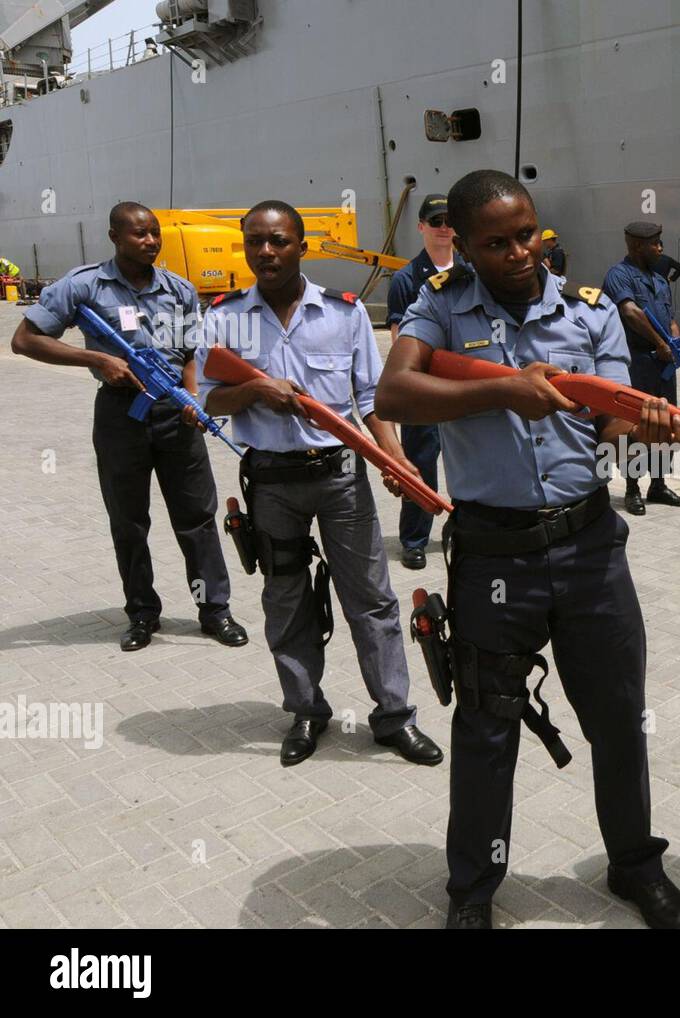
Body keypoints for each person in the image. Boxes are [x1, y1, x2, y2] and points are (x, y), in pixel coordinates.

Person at [377, 169, 680, 931]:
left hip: (589, 550)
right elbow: (393, 395)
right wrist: (502, 390)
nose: (520, 252)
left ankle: (635, 868)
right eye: (498, 242)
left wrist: (644, 426)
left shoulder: (588, 313)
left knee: (620, 718)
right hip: (493, 557)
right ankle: (473, 892)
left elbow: (611, 422)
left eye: (527, 234)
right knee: (487, 729)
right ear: (462, 241)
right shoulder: (440, 307)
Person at [196, 200, 442, 769]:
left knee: (371, 599)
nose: (266, 252)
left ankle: (394, 718)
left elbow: (368, 398)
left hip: (339, 476)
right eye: (255, 241)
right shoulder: (224, 316)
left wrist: (395, 456)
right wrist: (255, 391)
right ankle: (306, 710)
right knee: (285, 598)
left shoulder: (345, 312)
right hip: (272, 482)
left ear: (301, 246)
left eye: (278, 241)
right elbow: (208, 395)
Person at [11, 201, 248, 652]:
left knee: (197, 518)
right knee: (128, 520)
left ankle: (214, 610)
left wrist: (194, 399)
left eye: (155, 232)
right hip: (121, 414)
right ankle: (142, 614)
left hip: (176, 413)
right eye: (140, 233)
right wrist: (96, 358)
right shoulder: (83, 286)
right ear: (115, 237)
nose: (151, 241)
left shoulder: (178, 289)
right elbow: (24, 340)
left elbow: (194, 351)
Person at [602, 221, 680, 515]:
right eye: (655, 243)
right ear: (637, 245)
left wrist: (678, 347)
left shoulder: (659, 279)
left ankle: (658, 483)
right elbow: (630, 312)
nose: (660, 248)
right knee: (636, 424)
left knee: (664, 422)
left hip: (663, 364)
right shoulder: (619, 275)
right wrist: (659, 344)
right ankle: (632, 488)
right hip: (637, 362)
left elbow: (670, 318)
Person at [386, 193, 458, 569]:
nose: (444, 227)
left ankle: (464, 527)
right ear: (421, 227)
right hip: (425, 388)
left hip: (465, 385)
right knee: (421, 462)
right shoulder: (406, 278)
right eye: (435, 221)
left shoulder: (473, 268)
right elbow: (400, 339)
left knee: (471, 457)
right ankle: (414, 538)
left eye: (449, 220)